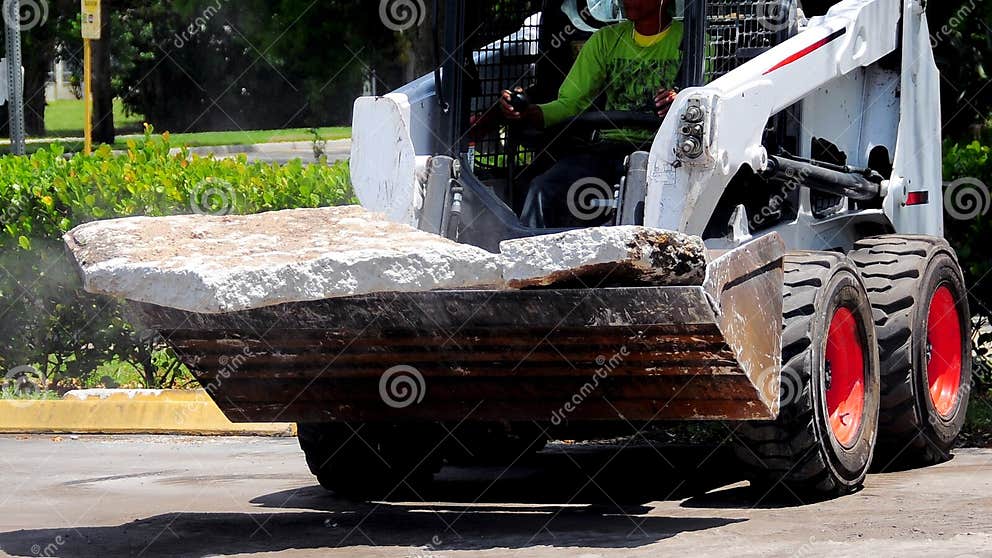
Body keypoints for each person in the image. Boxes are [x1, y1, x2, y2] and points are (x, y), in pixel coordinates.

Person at [500, 0, 683, 228]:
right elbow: (570, 104)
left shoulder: (689, 40)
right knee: (543, 188)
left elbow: (706, 96)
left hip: (668, 153)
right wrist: (529, 112)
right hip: (609, 148)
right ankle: (530, 248)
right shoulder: (605, 40)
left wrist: (681, 100)